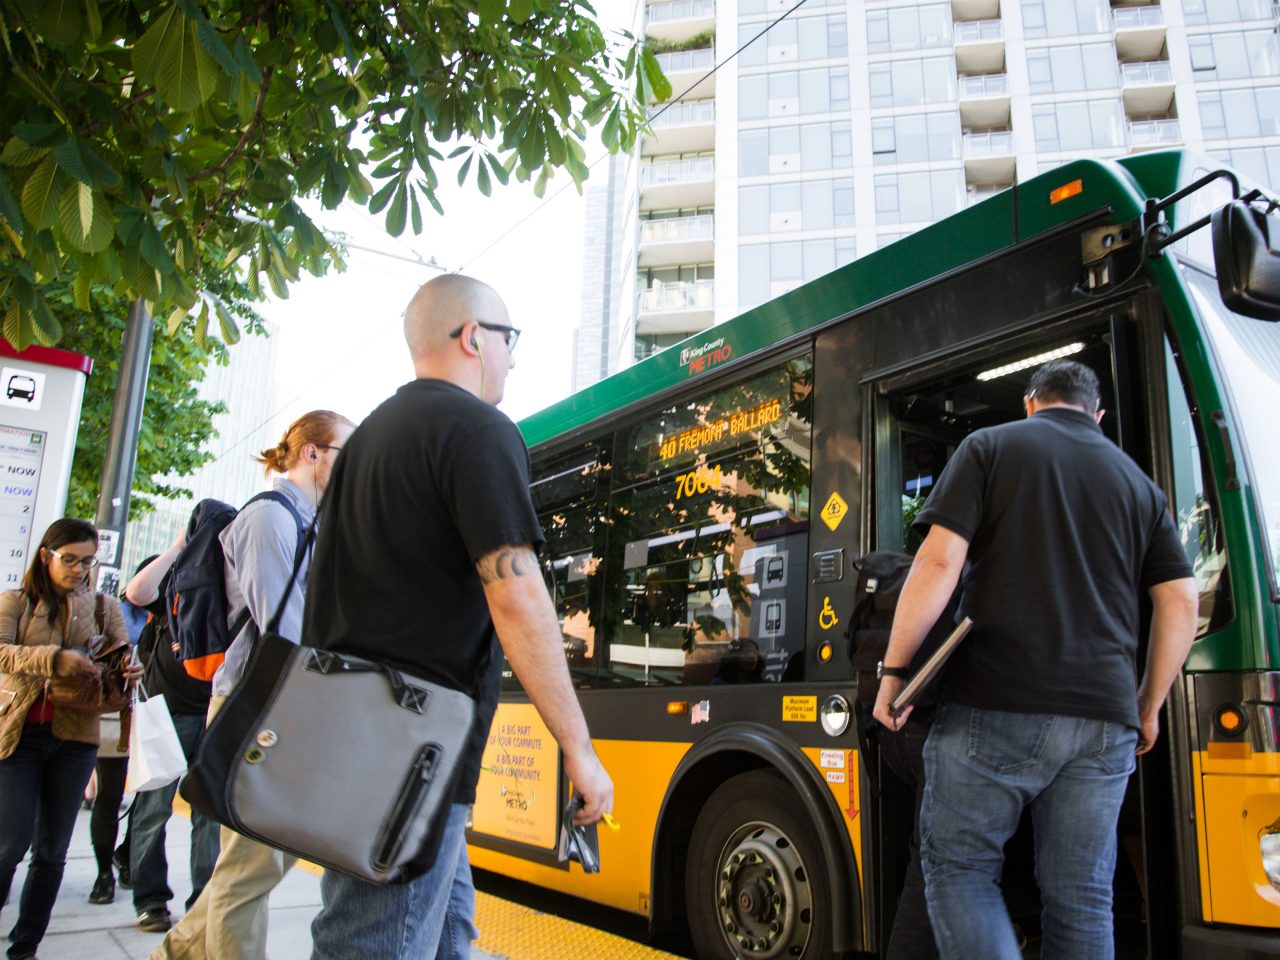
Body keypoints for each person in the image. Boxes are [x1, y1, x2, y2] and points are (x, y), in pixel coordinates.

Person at [305, 274, 614, 959]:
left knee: (443, 932)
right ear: (474, 337)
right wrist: (579, 749)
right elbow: (518, 596)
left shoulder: (364, 446)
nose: (515, 357)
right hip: (414, 752)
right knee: (374, 942)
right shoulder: (477, 431)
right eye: (511, 339)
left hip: (355, 735)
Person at [872, 360, 1199, 960]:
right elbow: (1180, 597)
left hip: (996, 700)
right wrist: (1148, 704)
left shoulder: (989, 447)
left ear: (1029, 403)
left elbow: (939, 564)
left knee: (961, 869)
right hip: (1106, 720)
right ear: (1095, 416)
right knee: (1082, 898)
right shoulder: (1139, 485)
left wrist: (895, 673)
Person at [150, 409, 353, 957]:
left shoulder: (303, 521)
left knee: (259, 861)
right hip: (261, 706)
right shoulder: (269, 517)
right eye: (345, 452)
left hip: (277, 704)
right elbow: (281, 628)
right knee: (249, 868)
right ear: (312, 452)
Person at [0, 518, 136, 960]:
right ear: (46, 556)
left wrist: (127, 670)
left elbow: (120, 657)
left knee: (52, 852)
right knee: (9, 844)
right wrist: (54, 658)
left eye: (87, 562)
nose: (79, 570)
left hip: (76, 739)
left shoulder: (103, 607)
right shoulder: (16, 603)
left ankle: (25, 949)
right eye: (70, 560)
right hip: (17, 737)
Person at [123, 539, 220, 930]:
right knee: (152, 811)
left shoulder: (231, 580)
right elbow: (137, 592)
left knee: (210, 816)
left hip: (216, 713)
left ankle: (203, 902)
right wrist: (181, 544)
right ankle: (150, 900)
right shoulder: (176, 576)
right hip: (164, 711)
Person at [88, 565, 138, 905]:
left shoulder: (109, 609)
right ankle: (105, 870)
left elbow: (123, 653)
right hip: (86, 712)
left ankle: (112, 866)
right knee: (106, 797)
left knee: (119, 797)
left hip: (128, 714)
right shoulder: (114, 606)